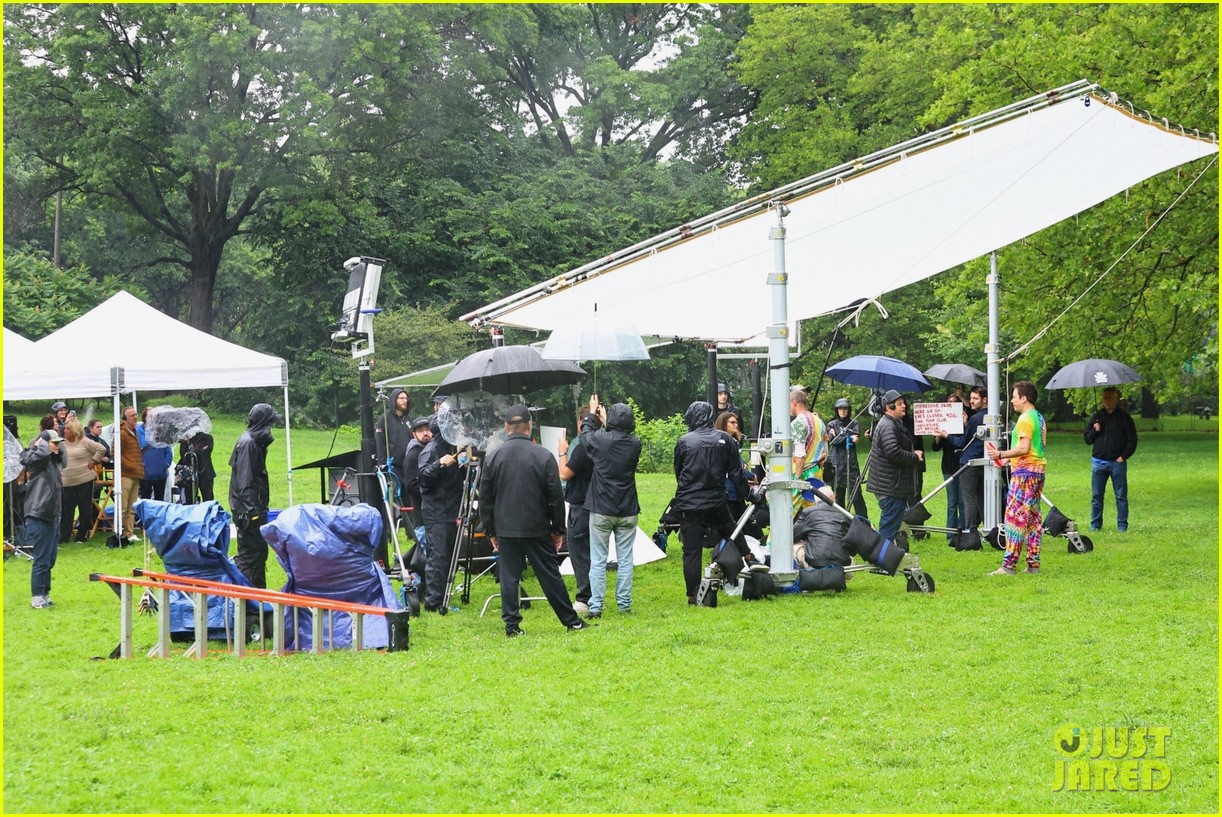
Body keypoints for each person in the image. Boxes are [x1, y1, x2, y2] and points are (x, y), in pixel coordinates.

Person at [479, 404, 586, 637]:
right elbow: (556, 497)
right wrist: (558, 530)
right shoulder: (543, 455)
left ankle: (512, 626)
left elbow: (485, 499)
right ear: (530, 425)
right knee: (550, 576)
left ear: (506, 427)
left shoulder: (493, 457)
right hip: (537, 527)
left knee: (509, 578)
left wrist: (491, 532)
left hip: (506, 528)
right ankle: (571, 621)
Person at [672, 401, 764, 605]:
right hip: (716, 500)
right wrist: (750, 495)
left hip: (689, 503)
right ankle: (750, 559)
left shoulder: (684, 441)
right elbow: (736, 474)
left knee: (691, 551)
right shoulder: (725, 440)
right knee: (731, 530)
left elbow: (679, 473)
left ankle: (693, 594)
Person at [579, 397, 642, 618]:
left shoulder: (600, 441)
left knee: (598, 559)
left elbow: (585, 436)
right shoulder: (635, 443)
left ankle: (595, 606)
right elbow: (614, 437)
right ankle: (624, 605)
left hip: (601, 508)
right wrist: (606, 420)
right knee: (626, 559)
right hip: (627, 508)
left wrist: (591, 413)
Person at [988, 380, 1047, 575]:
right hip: (1037, 472)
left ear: (1023, 397)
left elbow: (1024, 448)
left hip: (1024, 475)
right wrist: (1008, 461)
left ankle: (1009, 566)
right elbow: (1032, 450)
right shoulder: (1038, 417)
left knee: (1014, 517)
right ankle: (1033, 565)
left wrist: (1001, 455)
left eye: (1014, 396)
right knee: (1033, 520)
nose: (1012, 401)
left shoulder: (1024, 419)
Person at [229, 403, 280, 588]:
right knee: (250, 557)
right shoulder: (249, 444)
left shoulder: (250, 442)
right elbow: (244, 482)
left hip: (250, 510)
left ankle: (257, 598)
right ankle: (247, 601)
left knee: (257, 555)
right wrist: (253, 513)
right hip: (248, 512)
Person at [417, 413, 464, 612]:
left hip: (450, 511)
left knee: (449, 556)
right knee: (438, 557)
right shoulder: (431, 450)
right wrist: (440, 463)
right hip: (436, 512)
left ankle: (443, 596)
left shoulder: (450, 449)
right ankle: (433, 601)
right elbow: (423, 479)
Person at [865, 389, 924, 543]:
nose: (904, 406)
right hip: (890, 487)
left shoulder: (892, 424)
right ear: (888, 407)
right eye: (899, 404)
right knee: (888, 528)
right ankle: (882, 561)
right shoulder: (888, 426)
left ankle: (884, 559)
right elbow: (893, 452)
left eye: (903, 403)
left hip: (891, 485)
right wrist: (914, 457)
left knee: (891, 525)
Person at [557, 407, 598, 615]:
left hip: (580, 504)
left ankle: (585, 597)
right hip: (599, 504)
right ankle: (596, 596)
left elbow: (564, 474)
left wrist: (562, 452)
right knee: (595, 553)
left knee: (579, 552)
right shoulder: (605, 443)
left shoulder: (583, 446)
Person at [20, 429, 66, 608]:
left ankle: (45, 594)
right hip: (38, 515)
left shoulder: (51, 462)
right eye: (54, 443)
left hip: (52, 516)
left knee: (50, 558)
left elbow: (65, 460)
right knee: (42, 559)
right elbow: (28, 458)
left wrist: (54, 449)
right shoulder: (38, 462)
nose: (58, 445)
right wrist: (41, 445)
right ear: (44, 444)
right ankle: (37, 597)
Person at [1084, 387, 1138, 532]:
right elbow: (1087, 440)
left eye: (1110, 398)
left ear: (1116, 399)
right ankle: (1095, 524)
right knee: (1096, 496)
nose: (1106, 401)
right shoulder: (1096, 417)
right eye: (1104, 398)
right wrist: (1094, 430)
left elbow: (1132, 441)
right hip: (1098, 462)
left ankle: (1122, 525)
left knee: (1121, 496)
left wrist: (1123, 457)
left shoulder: (1124, 418)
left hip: (1117, 463)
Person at [59, 416, 106, 543]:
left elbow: (101, 449)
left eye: (68, 429)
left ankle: (82, 535)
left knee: (84, 508)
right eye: (65, 429)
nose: (65, 431)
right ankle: (64, 536)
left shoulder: (85, 441)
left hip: (84, 480)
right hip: (67, 482)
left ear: (74, 430)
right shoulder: (61, 443)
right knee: (67, 510)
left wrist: (93, 461)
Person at [826, 397, 869, 520]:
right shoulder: (831, 424)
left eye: (845, 408)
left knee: (856, 497)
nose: (842, 411)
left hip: (851, 465)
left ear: (848, 410)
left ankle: (865, 524)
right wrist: (848, 438)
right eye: (840, 408)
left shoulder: (854, 423)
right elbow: (833, 440)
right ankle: (841, 524)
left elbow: (853, 438)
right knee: (838, 498)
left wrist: (840, 437)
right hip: (836, 465)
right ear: (836, 410)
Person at [931, 394, 967, 538]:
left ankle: (962, 530)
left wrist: (965, 424)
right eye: (949, 402)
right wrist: (939, 435)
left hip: (962, 464)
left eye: (954, 402)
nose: (951, 404)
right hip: (948, 465)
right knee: (952, 501)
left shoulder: (964, 423)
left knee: (962, 501)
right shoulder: (943, 422)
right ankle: (950, 533)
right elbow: (934, 448)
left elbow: (965, 442)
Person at [953, 387, 988, 531]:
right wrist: (968, 424)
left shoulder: (976, 418)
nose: (971, 402)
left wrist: (945, 435)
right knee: (981, 497)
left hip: (969, 462)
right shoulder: (988, 416)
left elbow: (962, 443)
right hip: (983, 460)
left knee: (969, 499)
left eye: (975, 399)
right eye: (971, 398)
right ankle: (990, 528)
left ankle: (970, 530)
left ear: (984, 400)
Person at [789, 387, 827, 513]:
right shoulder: (819, 421)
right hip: (816, 473)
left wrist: (798, 478)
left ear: (794, 402)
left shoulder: (798, 423)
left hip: (802, 474)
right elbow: (825, 451)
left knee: (786, 514)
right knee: (816, 515)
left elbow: (800, 453)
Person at [375, 388, 413, 500]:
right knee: (396, 498)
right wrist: (383, 465)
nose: (405, 400)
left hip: (409, 467)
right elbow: (380, 442)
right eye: (401, 398)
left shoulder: (409, 420)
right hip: (394, 468)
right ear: (394, 400)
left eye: (406, 398)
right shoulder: (384, 419)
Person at [115, 406, 144, 545]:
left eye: (136, 414)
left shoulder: (135, 432)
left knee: (132, 507)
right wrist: (130, 465)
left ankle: (129, 532)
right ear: (125, 418)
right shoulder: (121, 433)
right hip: (125, 474)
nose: (135, 417)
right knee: (123, 506)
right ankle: (119, 532)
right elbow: (115, 453)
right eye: (132, 415)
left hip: (135, 474)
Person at [401, 416, 432, 540]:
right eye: (420, 431)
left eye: (427, 429)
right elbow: (411, 485)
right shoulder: (413, 455)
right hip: (422, 513)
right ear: (414, 434)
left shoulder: (434, 449)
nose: (425, 433)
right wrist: (429, 497)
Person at [138, 407, 173, 502]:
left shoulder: (162, 431)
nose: (152, 418)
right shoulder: (138, 431)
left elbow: (168, 449)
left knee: (160, 499)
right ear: (144, 417)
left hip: (160, 472)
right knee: (145, 499)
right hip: (145, 472)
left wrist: (165, 464)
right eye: (150, 416)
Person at [178, 431, 216, 503]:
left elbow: (205, 454)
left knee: (208, 498)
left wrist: (193, 451)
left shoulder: (207, 438)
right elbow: (184, 456)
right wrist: (199, 450)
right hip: (189, 473)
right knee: (189, 499)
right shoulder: (186, 439)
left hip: (205, 473)